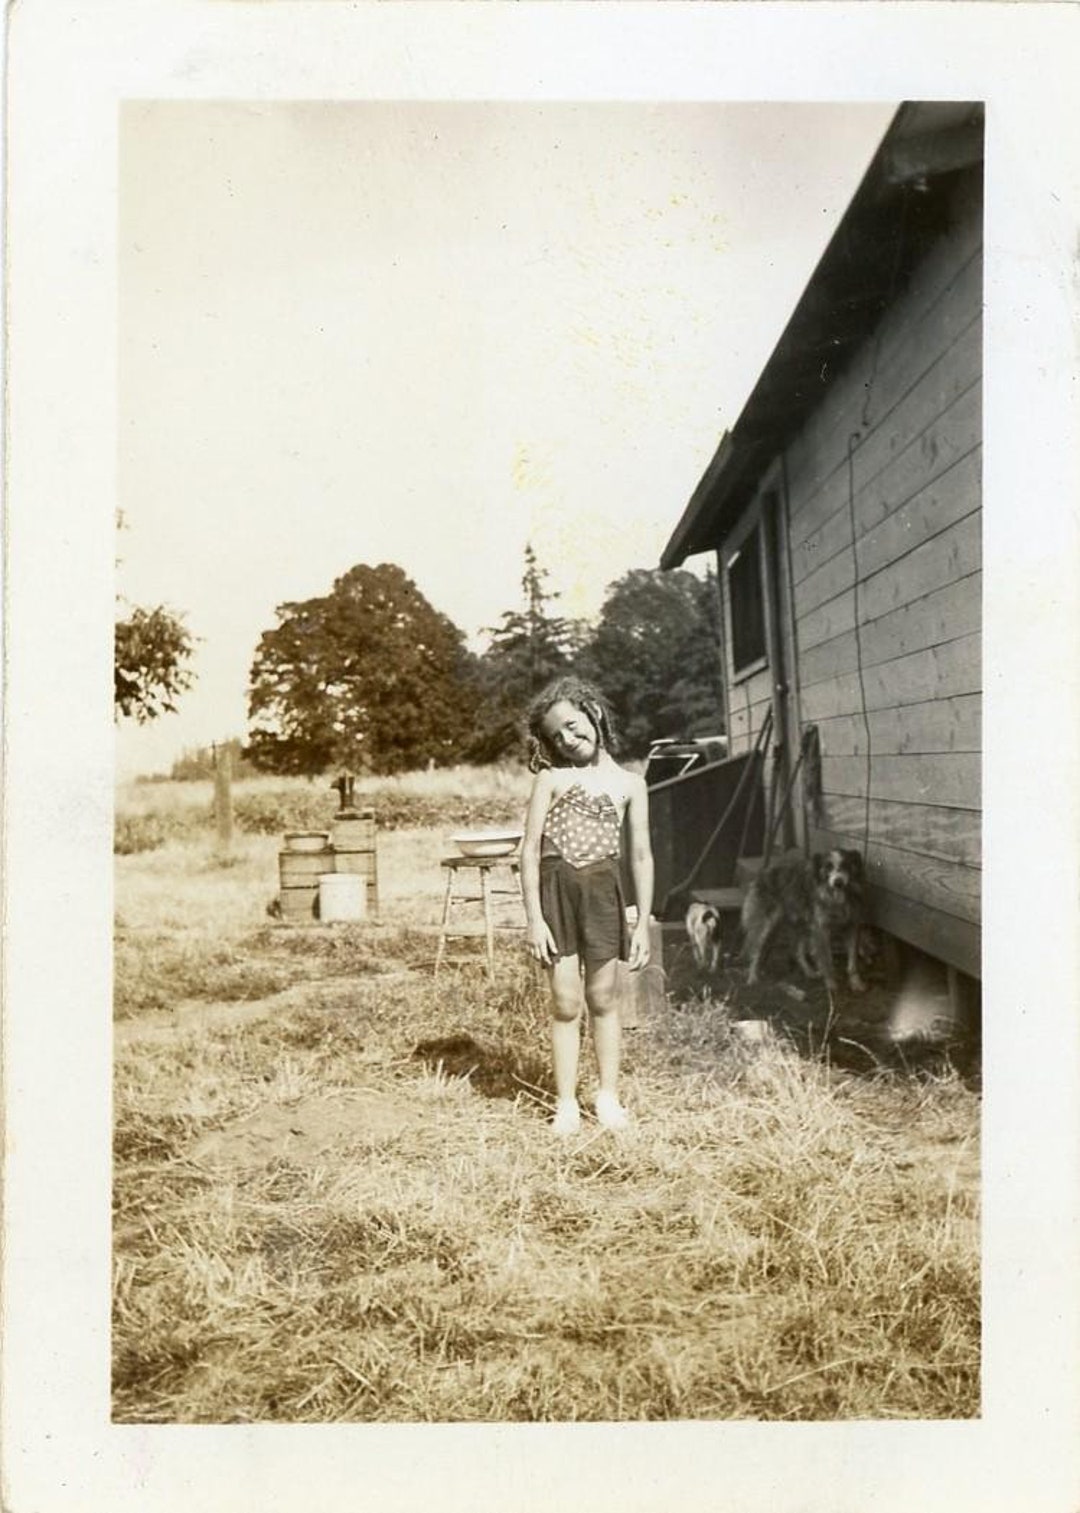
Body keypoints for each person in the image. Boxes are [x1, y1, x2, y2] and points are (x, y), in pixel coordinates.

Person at [520, 676, 654, 1135]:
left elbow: (640, 855)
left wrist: (640, 926)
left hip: (603, 896)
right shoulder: (552, 779)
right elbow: (529, 850)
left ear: (594, 712)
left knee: (603, 998)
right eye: (557, 736)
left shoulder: (631, 784)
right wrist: (535, 919)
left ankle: (607, 1096)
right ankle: (565, 1103)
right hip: (557, 897)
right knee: (564, 1002)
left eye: (574, 727)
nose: (569, 740)